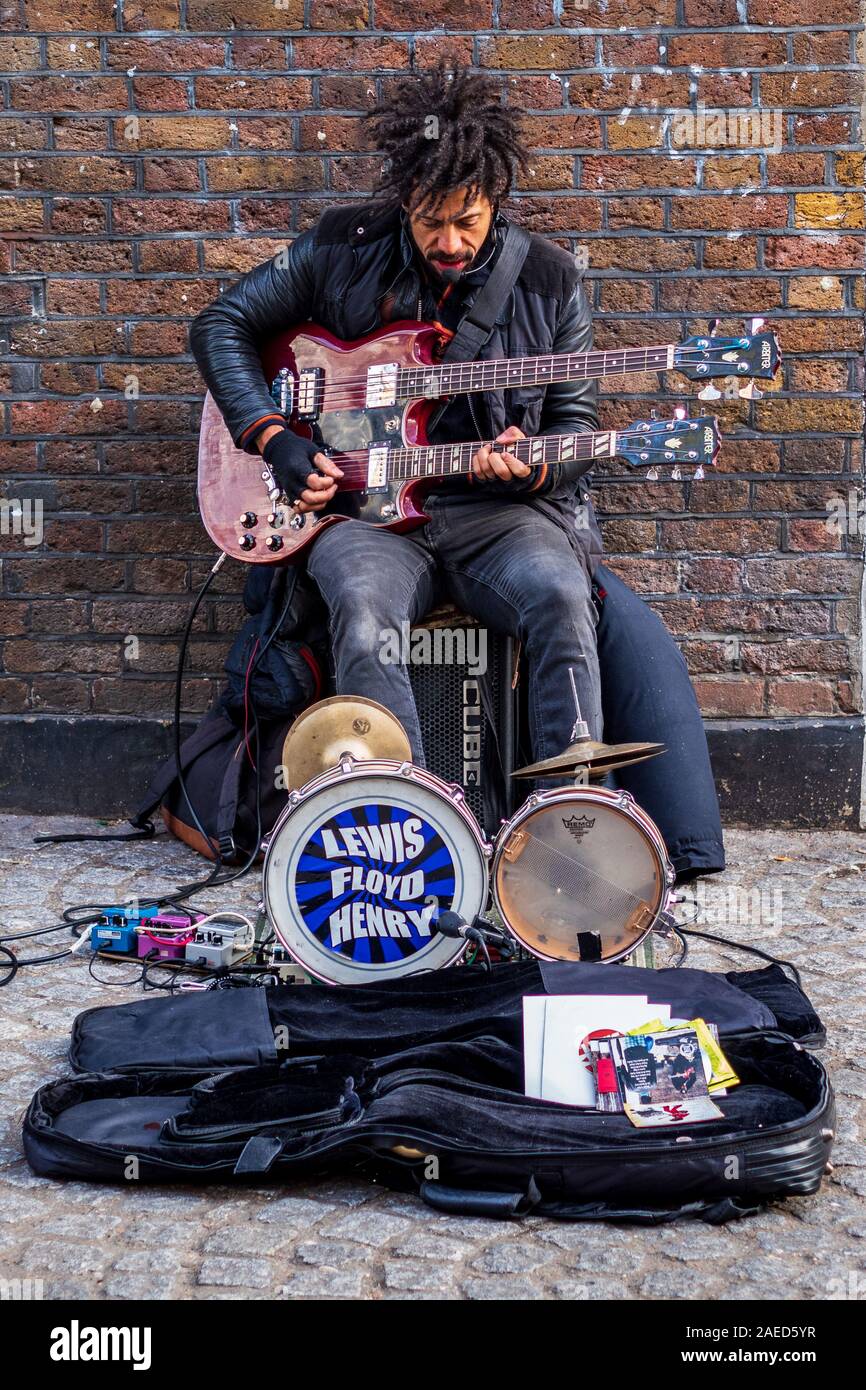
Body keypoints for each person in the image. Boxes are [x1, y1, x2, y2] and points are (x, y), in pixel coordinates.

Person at [189, 62, 724, 882]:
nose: (449, 243)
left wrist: (532, 471)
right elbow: (221, 322)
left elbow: (575, 425)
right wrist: (272, 438)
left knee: (556, 593)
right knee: (365, 614)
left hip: (495, 513)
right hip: (361, 514)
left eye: (466, 223)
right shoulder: (341, 248)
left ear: (494, 201)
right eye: (432, 222)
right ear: (405, 201)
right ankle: (405, 834)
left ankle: (571, 829)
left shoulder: (548, 281)